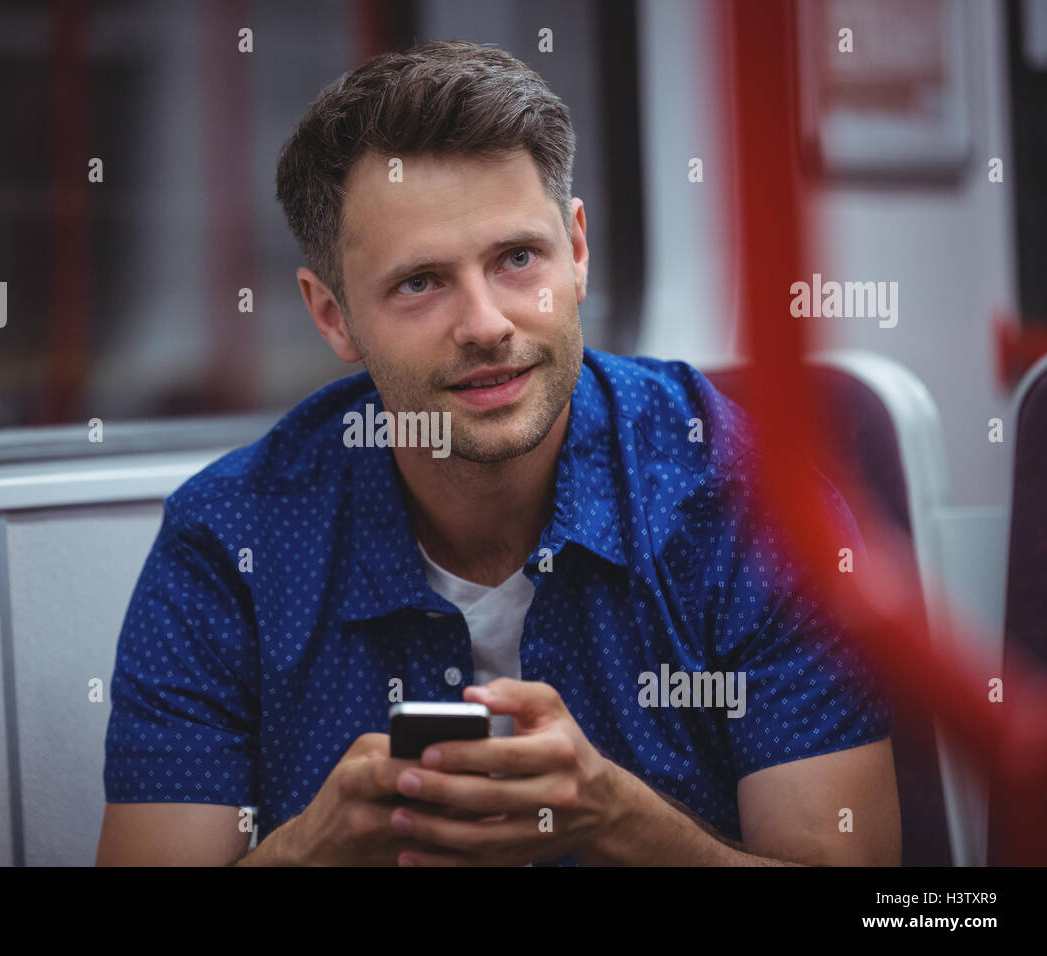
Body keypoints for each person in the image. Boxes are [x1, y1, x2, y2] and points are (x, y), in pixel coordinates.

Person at [95, 40, 900, 867]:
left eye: (518, 259)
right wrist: (318, 848)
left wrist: (620, 821)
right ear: (333, 315)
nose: (485, 325)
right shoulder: (229, 544)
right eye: (421, 283)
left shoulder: (752, 503)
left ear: (577, 252)